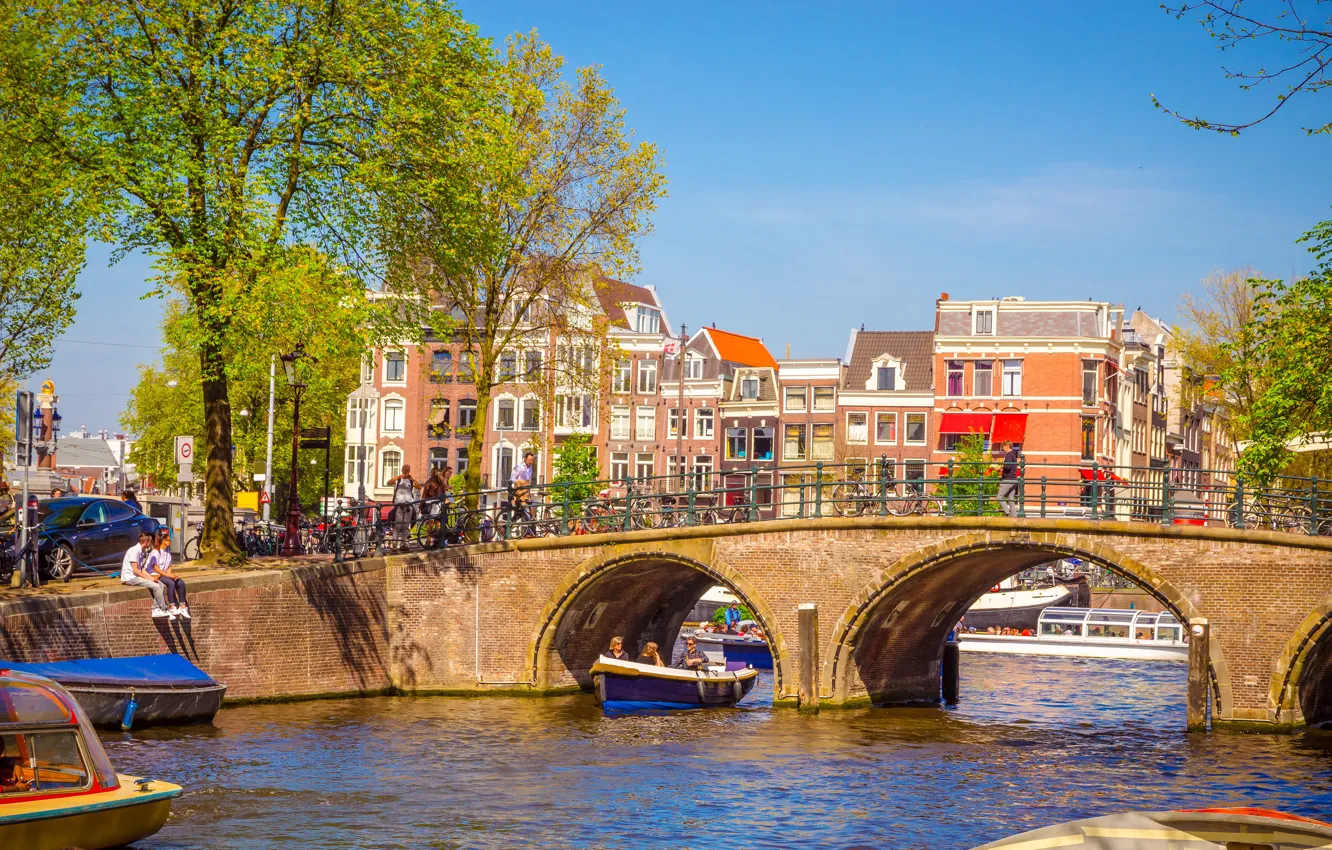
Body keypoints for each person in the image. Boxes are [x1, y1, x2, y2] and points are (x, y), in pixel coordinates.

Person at [122, 531, 168, 618]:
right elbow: (135, 570)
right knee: (156, 586)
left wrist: (151, 577)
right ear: (146, 542)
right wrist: (148, 579)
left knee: (160, 584)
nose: (151, 544)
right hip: (130, 578)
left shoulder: (142, 552)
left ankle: (156, 609)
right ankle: (164, 609)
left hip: (136, 576)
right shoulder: (134, 551)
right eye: (150, 542)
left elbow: (142, 569)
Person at [148, 529, 190, 621]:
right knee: (171, 583)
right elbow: (156, 568)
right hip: (156, 574)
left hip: (164, 574)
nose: (170, 542)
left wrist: (172, 575)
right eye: (169, 540)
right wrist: (169, 576)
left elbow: (168, 566)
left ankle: (182, 607)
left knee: (180, 582)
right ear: (164, 541)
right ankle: (172, 606)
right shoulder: (155, 552)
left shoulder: (167, 552)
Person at [386, 465, 419, 550]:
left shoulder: (410, 480)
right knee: (397, 525)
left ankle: (403, 544)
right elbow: (388, 483)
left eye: (407, 471)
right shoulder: (398, 479)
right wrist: (398, 477)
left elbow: (419, 487)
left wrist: (413, 479)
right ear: (402, 470)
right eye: (405, 470)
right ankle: (394, 544)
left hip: (409, 504)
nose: (406, 472)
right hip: (399, 504)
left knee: (405, 526)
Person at [998, 440, 1022, 517]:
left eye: (1003, 447)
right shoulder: (1014, 455)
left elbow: (1008, 467)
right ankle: (1014, 517)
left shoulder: (1008, 455)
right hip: (1014, 480)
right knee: (1011, 500)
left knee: (999, 497)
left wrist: (1001, 467)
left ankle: (1007, 513)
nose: (1002, 449)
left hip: (1008, 479)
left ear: (1007, 446)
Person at [509, 452, 535, 520]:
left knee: (533, 505)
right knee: (523, 512)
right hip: (519, 494)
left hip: (526, 493)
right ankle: (509, 524)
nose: (531, 462)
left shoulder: (530, 468)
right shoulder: (518, 467)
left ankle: (528, 522)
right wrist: (521, 483)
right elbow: (512, 478)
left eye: (532, 460)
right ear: (525, 459)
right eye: (529, 460)